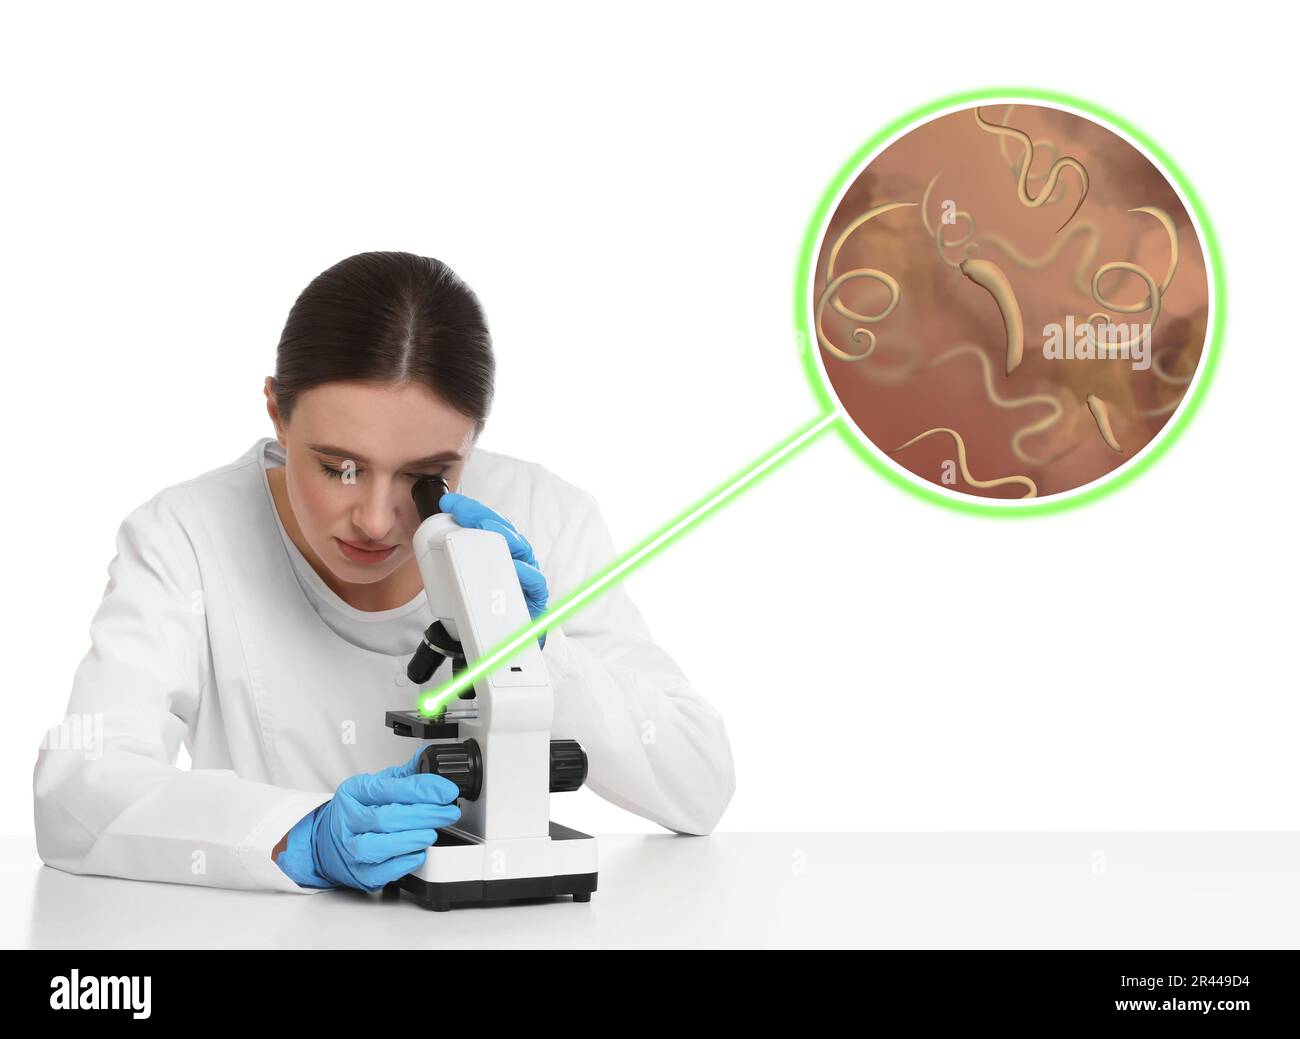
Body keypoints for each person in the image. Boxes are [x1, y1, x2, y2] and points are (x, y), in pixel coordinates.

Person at [33, 251, 736, 894]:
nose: (375, 519)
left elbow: (698, 782)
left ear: (473, 441)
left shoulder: (543, 516)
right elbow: (79, 787)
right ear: (278, 413)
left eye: (426, 476)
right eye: (340, 466)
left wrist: (535, 648)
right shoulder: (184, 536)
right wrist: (296, 832)